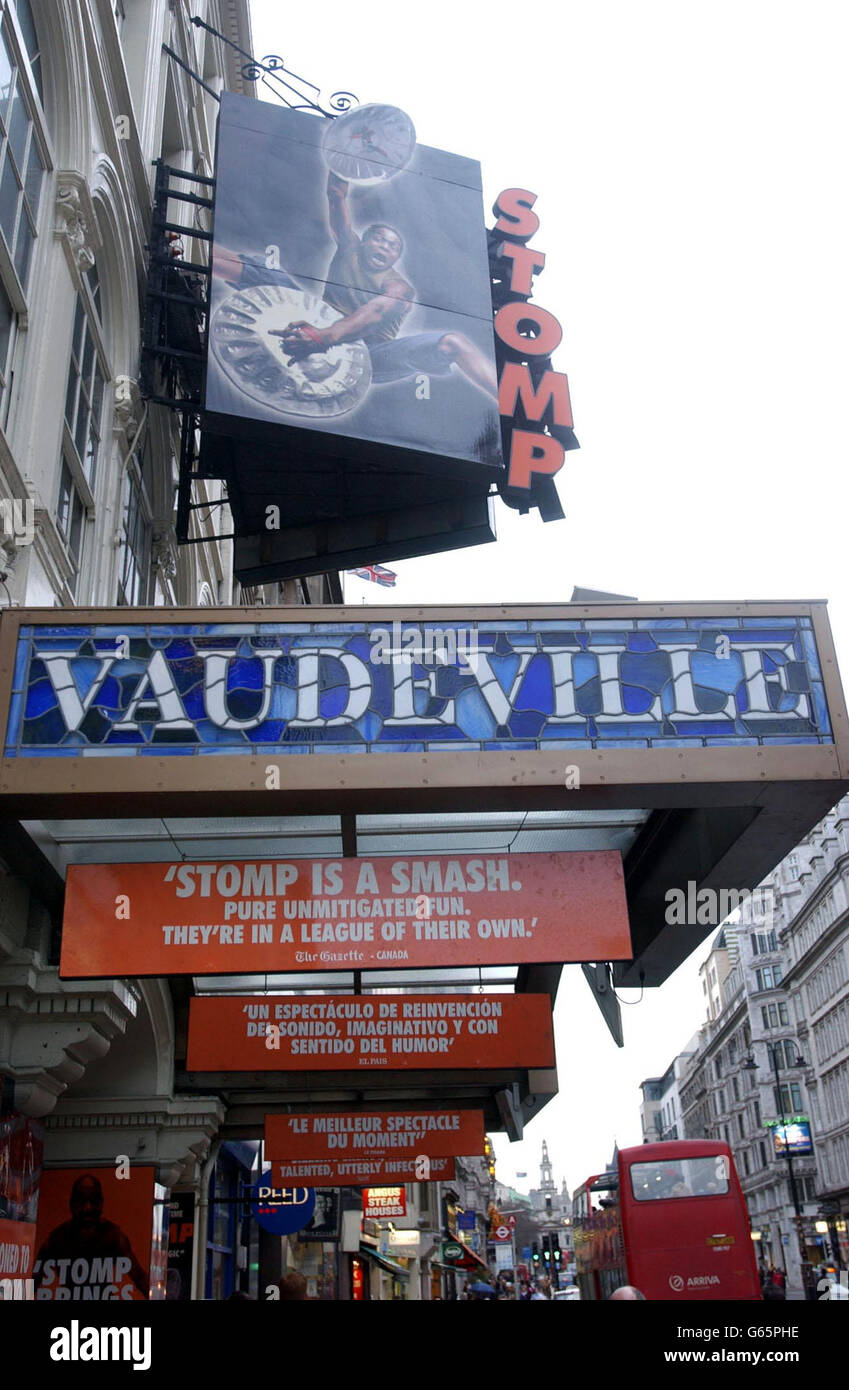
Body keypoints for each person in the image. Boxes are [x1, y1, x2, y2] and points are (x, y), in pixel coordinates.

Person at [34, 1173, 149, 1299]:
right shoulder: (56, 1239)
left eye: (93, 1201)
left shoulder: (113, 1236)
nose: (87, 1208)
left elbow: (141, 1280)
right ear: (72, 1204)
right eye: (82, 1202)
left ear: (101, 1204)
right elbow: (30, 1283)